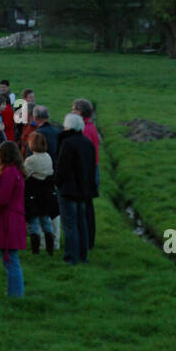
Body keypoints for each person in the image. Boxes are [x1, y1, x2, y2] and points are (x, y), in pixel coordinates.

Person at [55, 113, 95, 265]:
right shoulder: (87, 143)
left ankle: (71, 257)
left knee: (70, 224)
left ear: (68, 126)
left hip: (68, 189)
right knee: (82, 223)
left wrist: (57, 182)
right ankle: (83, 255)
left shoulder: (67, 143)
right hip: (83, 189)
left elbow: (62, 168)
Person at [0, 140, 27, 297]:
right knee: (12, 259)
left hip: (8, 220)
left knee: (11, 260)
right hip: (16, 218)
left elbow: (2, 199)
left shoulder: (8, 173)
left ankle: (15, 294)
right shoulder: (17, 171)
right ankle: (15, 292)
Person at [23, 130, 58, 255]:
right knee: (46, 221)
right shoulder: (48, 157)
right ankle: (50, 248)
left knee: (33, 222)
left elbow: (24, 175)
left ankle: (35, 250)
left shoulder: (30, 160)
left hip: (33, 194)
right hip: (46, 194)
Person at [73, 98, 101, 250]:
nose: (72, 112)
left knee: (84, 209)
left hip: (87, 172)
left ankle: (86, 241)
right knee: (88, 208)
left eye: (74, 109)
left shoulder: (85, 129)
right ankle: (89, 240)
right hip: (92, 169)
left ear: (81, 112)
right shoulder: (91, 126)